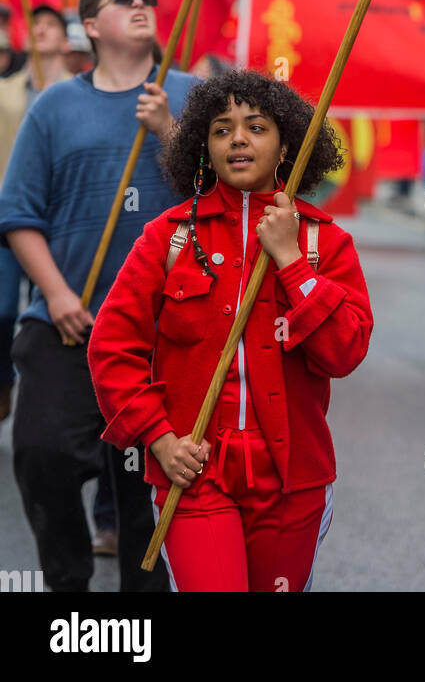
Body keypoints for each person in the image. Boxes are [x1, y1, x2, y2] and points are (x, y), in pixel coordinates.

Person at [88, 70, 373, 593]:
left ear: (287, 145)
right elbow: (112, 347)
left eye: (256, 127)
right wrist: (160, 439)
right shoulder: (167, 237)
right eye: (221, 129)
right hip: (195, 475)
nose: (237, 139)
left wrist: (291, 261)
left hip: (293, 481)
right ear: (205, 147)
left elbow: (345, 351)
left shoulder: (323, 244)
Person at [0, 0, 197, 593]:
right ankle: (68, 585)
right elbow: (19, 214)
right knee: (40, 455)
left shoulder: (191, 97)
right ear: (90, 26)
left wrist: (172, 132)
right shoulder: (54, 104)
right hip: (69, 326)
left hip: (163, 334)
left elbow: (227, 198)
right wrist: (55, 294)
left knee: (152, 488)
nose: (142, 3)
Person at [0, 3, 73, 423]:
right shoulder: (7, 92)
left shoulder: (81, 91)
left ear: (66, 40)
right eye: (35, 25)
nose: (41, 30)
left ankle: (45, 396)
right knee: (3, 309)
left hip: (60, 223)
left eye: (51, 25)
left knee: (49, 309)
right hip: (10, 221)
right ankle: (4, 377)